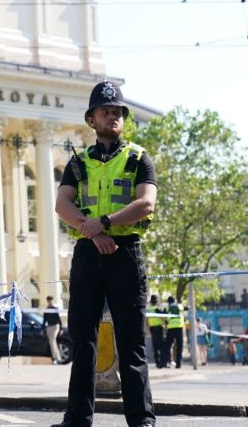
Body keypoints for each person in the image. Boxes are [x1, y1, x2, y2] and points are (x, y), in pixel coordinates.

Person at [54, 80, 157, 427]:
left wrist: (104, 223)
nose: (112, 116)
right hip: (88, 253)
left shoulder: (139, 158)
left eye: (117, 112)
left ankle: (141, 420)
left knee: (131, 341)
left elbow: (145, 203)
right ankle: (78, 418)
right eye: (105, 111)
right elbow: (62, 204)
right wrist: (91, 229)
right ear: (91, 119)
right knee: (82, 339)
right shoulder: (78, 162)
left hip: (125, 253)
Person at [162, 296, 184, 369]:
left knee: (167, 346)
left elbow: (164, 317)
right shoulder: (180, 306)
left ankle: (166, 362)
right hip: (179, 327)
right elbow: (186, 308)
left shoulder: (167, 308)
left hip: (171, 328)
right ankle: (179, 364)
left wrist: (166, 324)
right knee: (179, 346)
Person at [43, 296, 64, 364]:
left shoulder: (55, 309)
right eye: (49, 300)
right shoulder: (46, 310)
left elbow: (59, 319)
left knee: (52, 341)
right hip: (49, 327)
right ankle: (55, 359)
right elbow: (44, 320)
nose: (50, 302)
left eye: (51, 300)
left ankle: (57, 358)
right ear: (47, 301)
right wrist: (42, 329)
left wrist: (61, 329)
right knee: (52, 343)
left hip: (55, 326)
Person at [147, 295, 166, 369]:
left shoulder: (148, 308)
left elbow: (147, 320)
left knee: (155, 345)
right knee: (160, 345)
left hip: (153, 328)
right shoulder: (158, 308)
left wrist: (148, 329)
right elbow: (163, 318)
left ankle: (158, 362)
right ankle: (160, 362)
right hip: (158, 328)